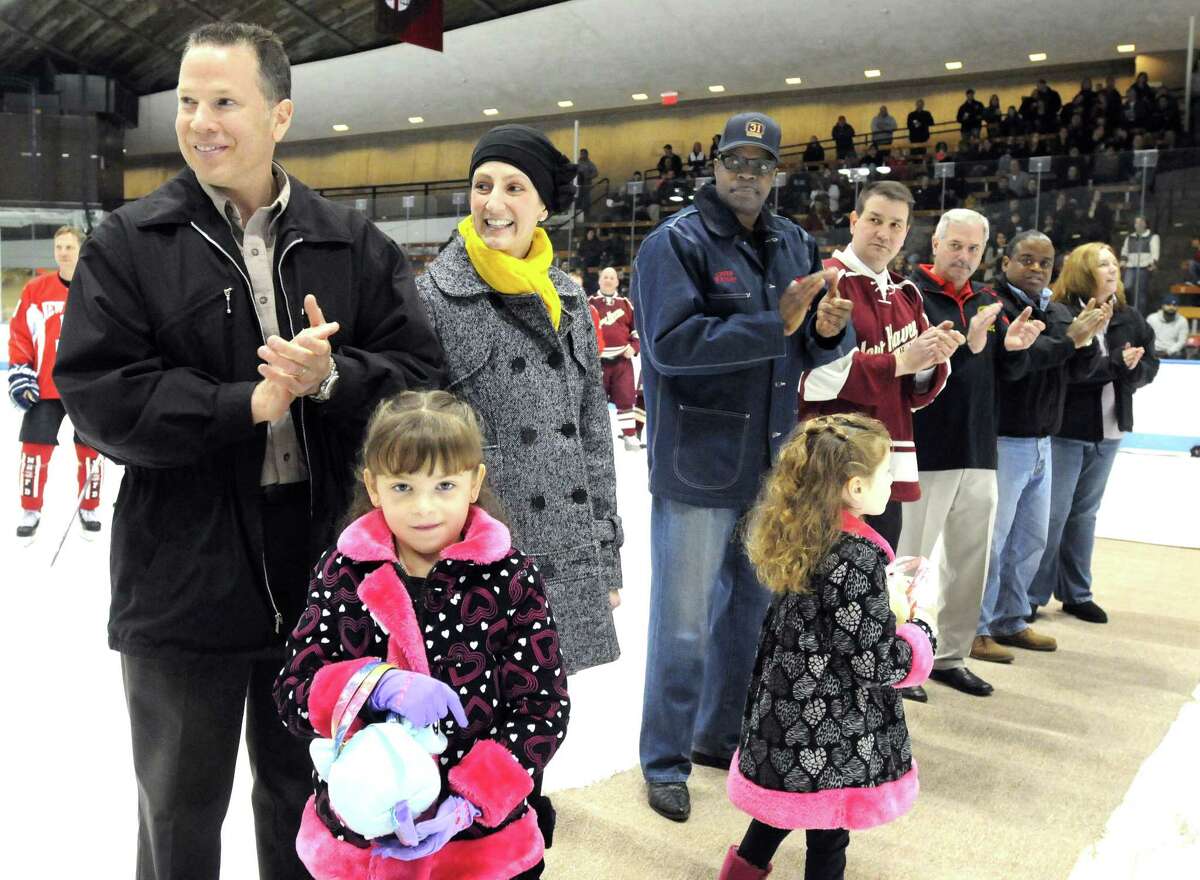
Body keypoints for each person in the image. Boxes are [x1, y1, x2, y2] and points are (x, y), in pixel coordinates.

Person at [53, 23, 444, 880]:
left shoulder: (352, 240)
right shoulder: (129, 243)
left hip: (323, 570)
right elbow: (99, 396)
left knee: (308, 802)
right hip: (183, 572)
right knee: (178, 812)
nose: (201, 122)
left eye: (225, 101)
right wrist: (247, 403)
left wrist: (334, 379)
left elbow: (425, 381)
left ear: (280, 115)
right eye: (188, 102)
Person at [633, 110, 855, 823]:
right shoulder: (675, 243)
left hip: (770, 464)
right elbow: (669, 346)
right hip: (697, 468)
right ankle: (663, 760)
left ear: (776, 173)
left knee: (752, 617)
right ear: (715, 164)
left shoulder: (793, 241)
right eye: (736, 161)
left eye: (761, 164)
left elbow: (804, 351)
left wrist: (826, 332)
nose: (747, 174)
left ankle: (718, 736)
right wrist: (776, 325)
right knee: (685, 624)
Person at [273, 391, 567, 880]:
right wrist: (373, 684)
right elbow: (293, 693)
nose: (424, 507)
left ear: (475, 482)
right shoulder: (342, 572)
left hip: (482, 844)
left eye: (445, 485)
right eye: (403, 487)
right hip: (360, 840)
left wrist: (471, 804)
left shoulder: (511, 578)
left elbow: (544, 707)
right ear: (372, 486)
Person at [415, 123, 621, 672]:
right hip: (474, 557)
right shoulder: (432, 296)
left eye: (513, 187)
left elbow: (592, 439)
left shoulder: (571, 297)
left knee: (541, 720)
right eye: (482, 186)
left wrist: (605, 558)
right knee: (468, 727)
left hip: (565, 555)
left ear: (543, 208)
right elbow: (414, 444)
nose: (493, 203)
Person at [721, 414, 935, 880]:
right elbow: (872, 659)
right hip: (833, 724)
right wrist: (919, 634)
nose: (892, 484)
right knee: (830, 826)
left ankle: (738, 874)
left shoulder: (808, 533)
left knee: (782, 806)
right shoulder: (856, 556)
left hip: (789, 712)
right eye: (886, 475)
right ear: (855, 487)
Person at [898, 209, 1044, 701]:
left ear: (984, 253)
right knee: (909, 566)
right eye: (955, 246)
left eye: (973, 249)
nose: (963, 257)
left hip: (980, 451)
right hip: (923, 451)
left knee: (970, 562)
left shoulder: (989, 301)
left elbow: (1005, 375)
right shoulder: (909, 296)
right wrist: (971, 347)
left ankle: (951, 656)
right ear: (935, 244)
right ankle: (899, 660)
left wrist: (1015, 349)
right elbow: (911, 372)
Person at [799, 181, 962, 551]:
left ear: (905, 233)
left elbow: (914, 396)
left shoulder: (907, 294)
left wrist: (930, 360)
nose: (884, 233)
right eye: (875, 220)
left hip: (887, 466)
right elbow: (810, 378)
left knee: (876, 583)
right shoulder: (824, 281)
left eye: (895, 225)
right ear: (854, 221)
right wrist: (901, 361)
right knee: (815, 588)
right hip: (828, 463)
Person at [972, 231, 1109, 664]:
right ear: (1006, 262)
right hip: (1003, 437)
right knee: (992, 541)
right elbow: (1018, 366)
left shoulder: (1059, 308)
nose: (1035, 268)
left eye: (1044, 262)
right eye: (1026, 259)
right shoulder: (992, 304)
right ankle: (974, 627)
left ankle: (1010, 620)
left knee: (1030, 538)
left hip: (1042, 439)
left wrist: (1086, 339)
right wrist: (1071, 340)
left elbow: (1080, 369)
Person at [1028, 243, 1159, 624]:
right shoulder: (1063, 313)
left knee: (1084, 514)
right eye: (1103, 263)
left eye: (1114, 263)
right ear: (1084, 270)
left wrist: (1133, 370)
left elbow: (1150, 362)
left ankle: (1076, 593)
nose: (1113, 268)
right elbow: (1070, 371)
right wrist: (1117, 365)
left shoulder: (1129, 316)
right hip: (1067, 429)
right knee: (1053, 516)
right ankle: (1032, 595)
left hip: (1111, 430)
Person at [8, 225, 102, 540]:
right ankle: (30, 510)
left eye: (68, 247)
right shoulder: (36, 290)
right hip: (44, 388)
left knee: (91, 451)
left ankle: (88, 507)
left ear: (80, 249)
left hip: (85, 387)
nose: (62, 252)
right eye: (58, 247)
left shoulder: (95, 287)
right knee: (33, 450)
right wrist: (21, 371)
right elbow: (20, 333)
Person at [589, 267, 642, 451]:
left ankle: (630, 436)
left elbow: (637, 332)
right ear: (599, 280)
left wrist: (633, 348)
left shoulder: (627, 304)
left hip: (622, 362)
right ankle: (595, 439)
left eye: (612, 277)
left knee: (626, 398)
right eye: (605, 277)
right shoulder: (589, 303)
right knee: (594, 401)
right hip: (597, 363)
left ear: (617, 282)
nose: (609, 280)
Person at [1120, 215, 1160, 312]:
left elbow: (1155, 252)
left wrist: (1152, 263)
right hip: (1130, 266)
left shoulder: (1152, 237)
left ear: (1145, 224)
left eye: (1140, 222)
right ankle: (1129, 309)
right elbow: (1125, 251)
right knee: (1127, 287)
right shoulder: (1129, 237)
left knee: (1140, 292)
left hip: (1143, 267)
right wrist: (1123, 261)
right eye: (1136, 222)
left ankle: (1140, 314)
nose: (1138, 224)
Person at [575, 147, 598, 220]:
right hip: (578, 186)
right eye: (581, 154)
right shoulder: (577, 163)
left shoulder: (590, 164)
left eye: (584, 154)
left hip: (586, 186)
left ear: (587, 154)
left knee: (586, 202)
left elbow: (595, 173)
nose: (582, 155)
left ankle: (587, 217)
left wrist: (588, 177)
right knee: (578, 202)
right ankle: (577, 218)